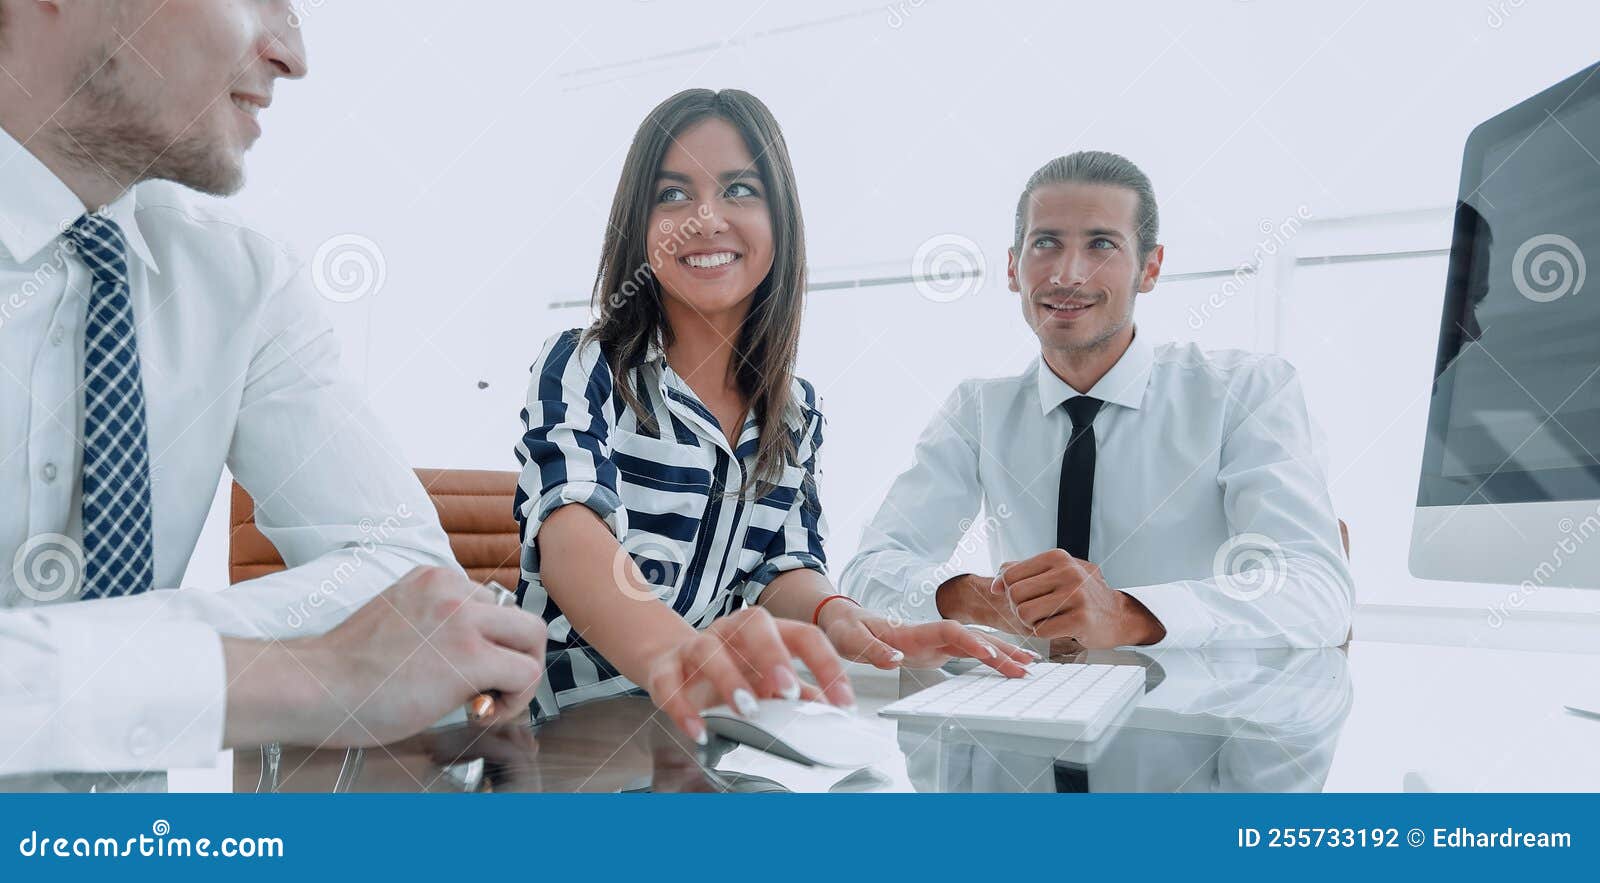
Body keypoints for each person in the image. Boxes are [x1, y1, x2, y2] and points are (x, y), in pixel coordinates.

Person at [0, 0, 545, 773]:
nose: (293, 54)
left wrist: (117, 675)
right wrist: (289, 672)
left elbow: (399, 563)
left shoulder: (240, 277)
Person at [514, 88, 1031, 744]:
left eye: (738, 190)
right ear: (637, 226)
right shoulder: (584, 362)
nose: (705, 218)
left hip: (712, 735)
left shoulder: (796, 410)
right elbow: (569, 535)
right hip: (570, 737)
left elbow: (784, 564)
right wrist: (683, 655)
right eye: (672, 195)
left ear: (779, 218)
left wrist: (840, 615)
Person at [841, 151, 1353, 649]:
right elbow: (869, 570)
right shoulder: (977, 411)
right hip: (1029, 711)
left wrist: (1126, 613)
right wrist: (977, 599)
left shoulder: (1245, 391)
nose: (1068, 274)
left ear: (1150, 269)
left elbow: (1317, 591)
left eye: (1101, 244)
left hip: (1201, 720)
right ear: (1013, 268)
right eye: (1046, 243)